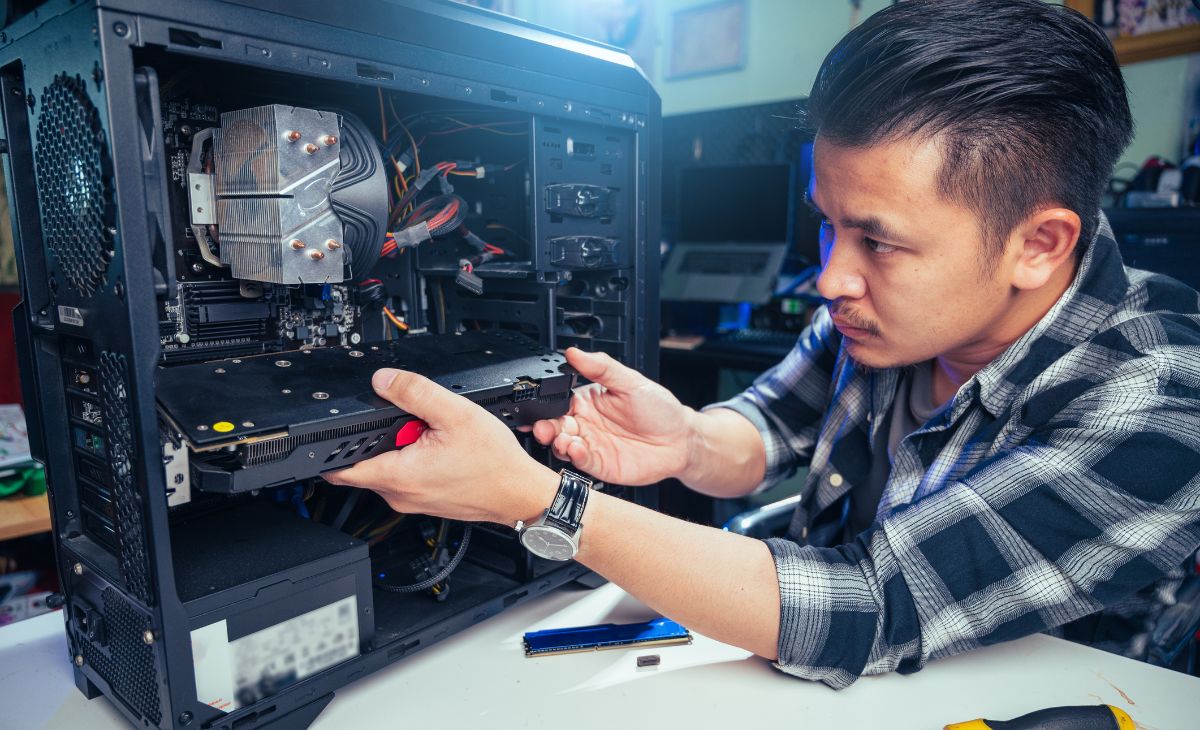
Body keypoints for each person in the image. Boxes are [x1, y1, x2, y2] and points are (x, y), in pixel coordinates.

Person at [328, 0, 1200, 687]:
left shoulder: (1159, 404)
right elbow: (768, 432)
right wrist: (685, 441)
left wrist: (537, 500)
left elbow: (867, 603)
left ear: (1038, 244)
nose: (831, 280)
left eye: (878, 240)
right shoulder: (884, 316)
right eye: (827, 227)